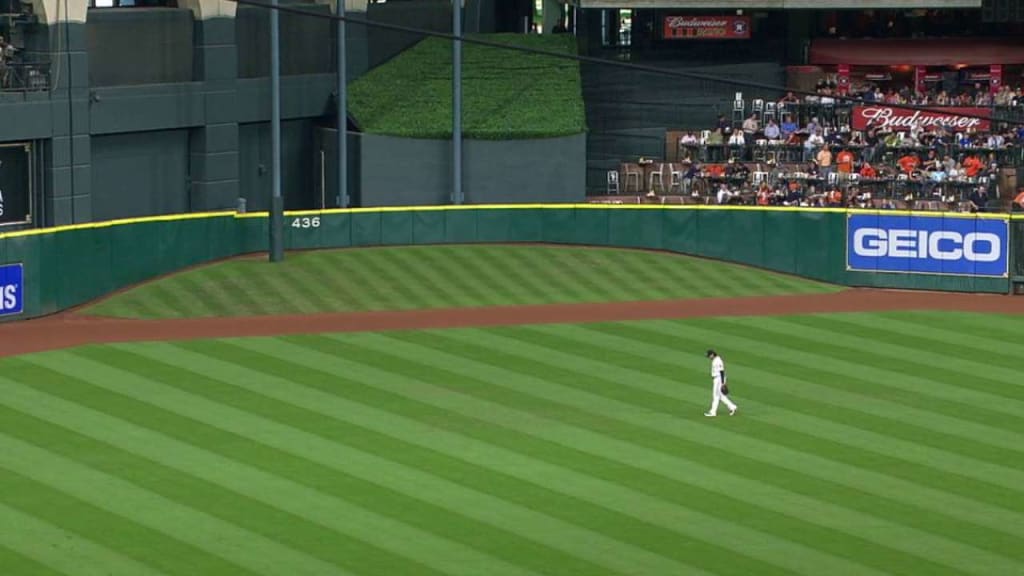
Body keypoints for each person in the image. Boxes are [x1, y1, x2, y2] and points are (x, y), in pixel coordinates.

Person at [704, 349, 738, 417]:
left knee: (716, 396)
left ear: (712, 354)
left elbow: (722, 371)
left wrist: (723, 383)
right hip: (717, 379)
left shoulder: (718, 361)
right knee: (721, 396)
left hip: (718, 379)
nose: (709, 357)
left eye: (709, 356)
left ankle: (713, 412)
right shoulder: (715, 360)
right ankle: (733, 407)